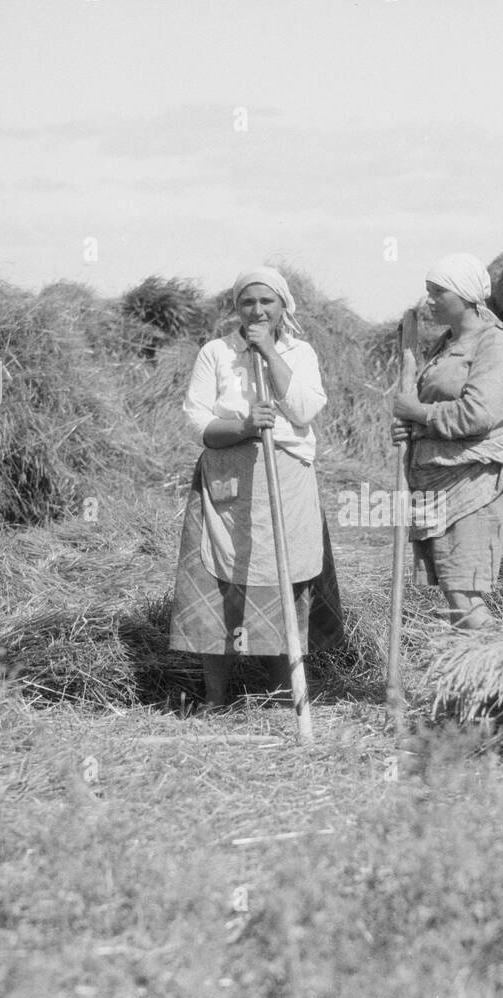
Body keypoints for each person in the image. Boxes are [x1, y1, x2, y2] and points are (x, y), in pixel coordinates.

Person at [169, 266, 343, 707]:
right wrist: (243, 425)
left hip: (286, 479)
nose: (258, 309)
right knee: (218, 580)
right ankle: (215, 698)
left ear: (284, 306)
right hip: (227, 479)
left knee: (284, 579)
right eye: (248, 301)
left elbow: (303, 411)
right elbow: (198, 420)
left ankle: (283, 695)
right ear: (236, 307)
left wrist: (268, 352)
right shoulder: (215, 352)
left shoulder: (300, 352)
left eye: (268, 301)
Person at [392, 253, 503, 629]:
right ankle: (468, 680)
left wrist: (417, 414)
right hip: (437, 477)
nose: (429, 301)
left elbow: (478, 415)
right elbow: (428, 410)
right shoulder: (446, 344)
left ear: (466, 295)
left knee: (465, 595)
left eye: (438, 292)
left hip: (474, 480)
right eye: (427, 291)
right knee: (454, 594)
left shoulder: (493, 345)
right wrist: (412, 428)